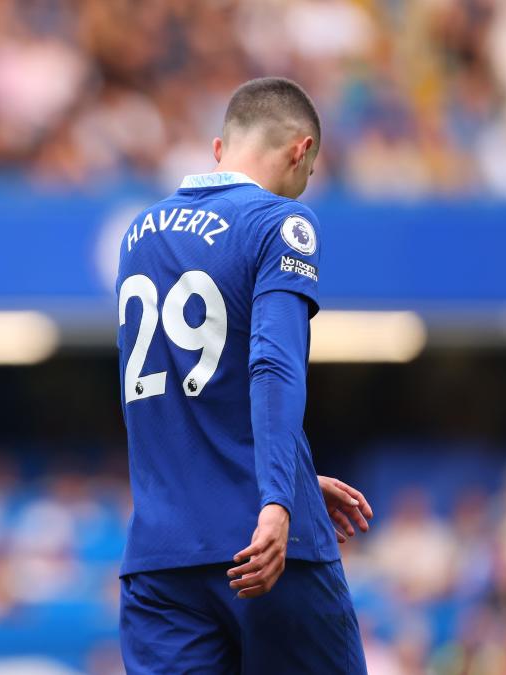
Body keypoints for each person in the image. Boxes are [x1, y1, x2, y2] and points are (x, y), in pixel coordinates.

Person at [114, 77, 374, 673]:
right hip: (267, 549)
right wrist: (281, 496)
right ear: (301, 151)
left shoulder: (138, 235)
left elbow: (185, 395)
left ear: (217, 150)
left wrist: (298, 473)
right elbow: (272, 366)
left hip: (159, 561)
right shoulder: (282, 223)